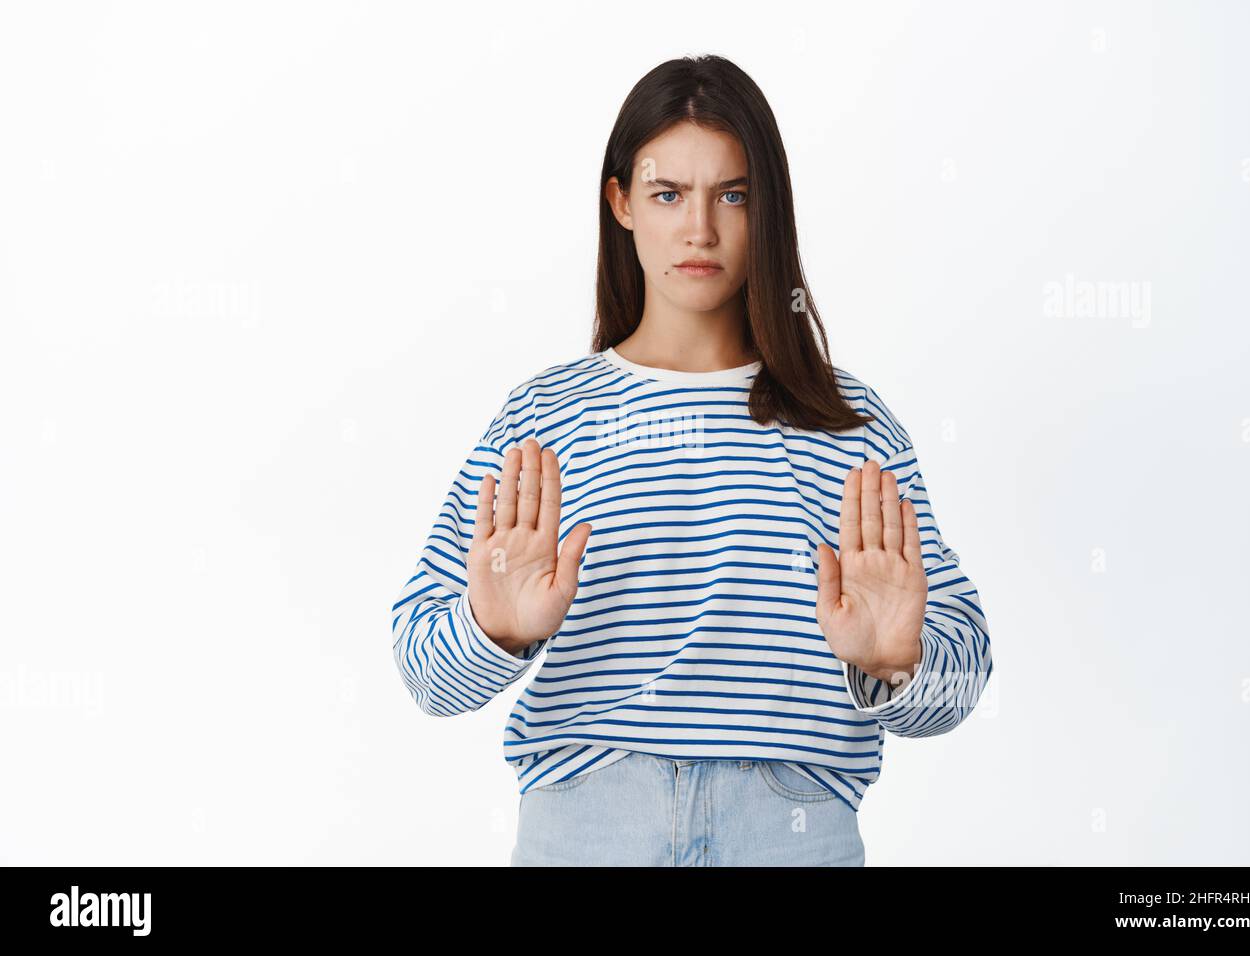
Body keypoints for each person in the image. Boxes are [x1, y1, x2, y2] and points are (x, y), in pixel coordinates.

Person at [391, 54, 992, 866]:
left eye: (732, 195)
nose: (699, 229)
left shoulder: (847, 424)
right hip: (590, 826)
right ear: (622, 204)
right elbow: (425, 668)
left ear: (766, 209)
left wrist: (898, 662)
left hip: (792, 830)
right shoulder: (545, 419)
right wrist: (493, 631)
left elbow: (959, 671)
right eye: (668, 193)